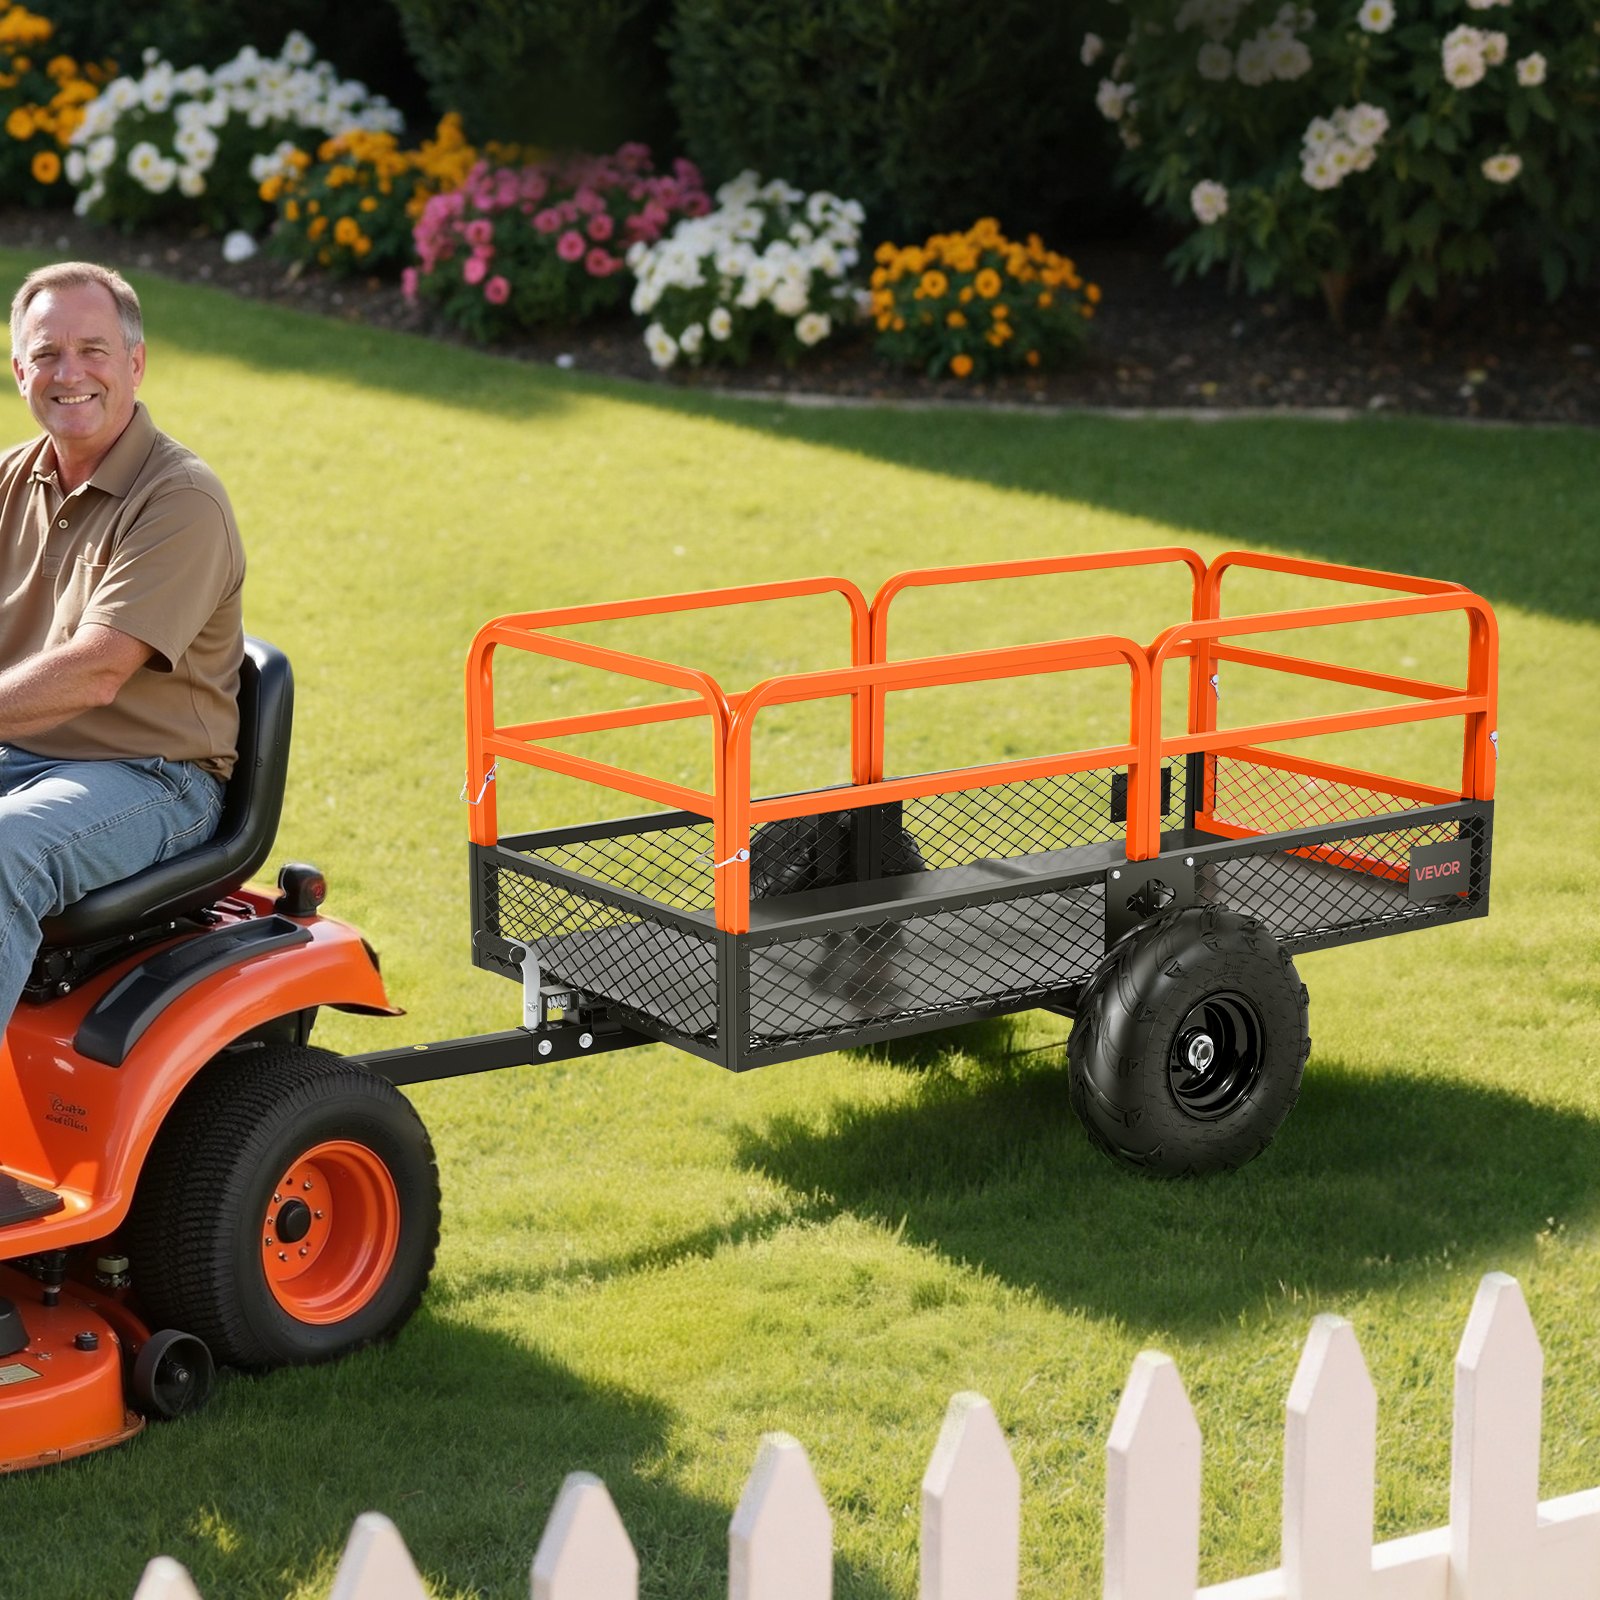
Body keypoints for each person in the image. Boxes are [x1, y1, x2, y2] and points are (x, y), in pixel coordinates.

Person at [0, 261, 244, 1027]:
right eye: (46, 354)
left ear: (135, 363)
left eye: (92, 350)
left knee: (4, 852)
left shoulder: (181, 498)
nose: (68, 373)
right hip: (23, 753)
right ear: (19, 371)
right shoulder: (11, 479)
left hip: (150, 778)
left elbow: (100, 669)